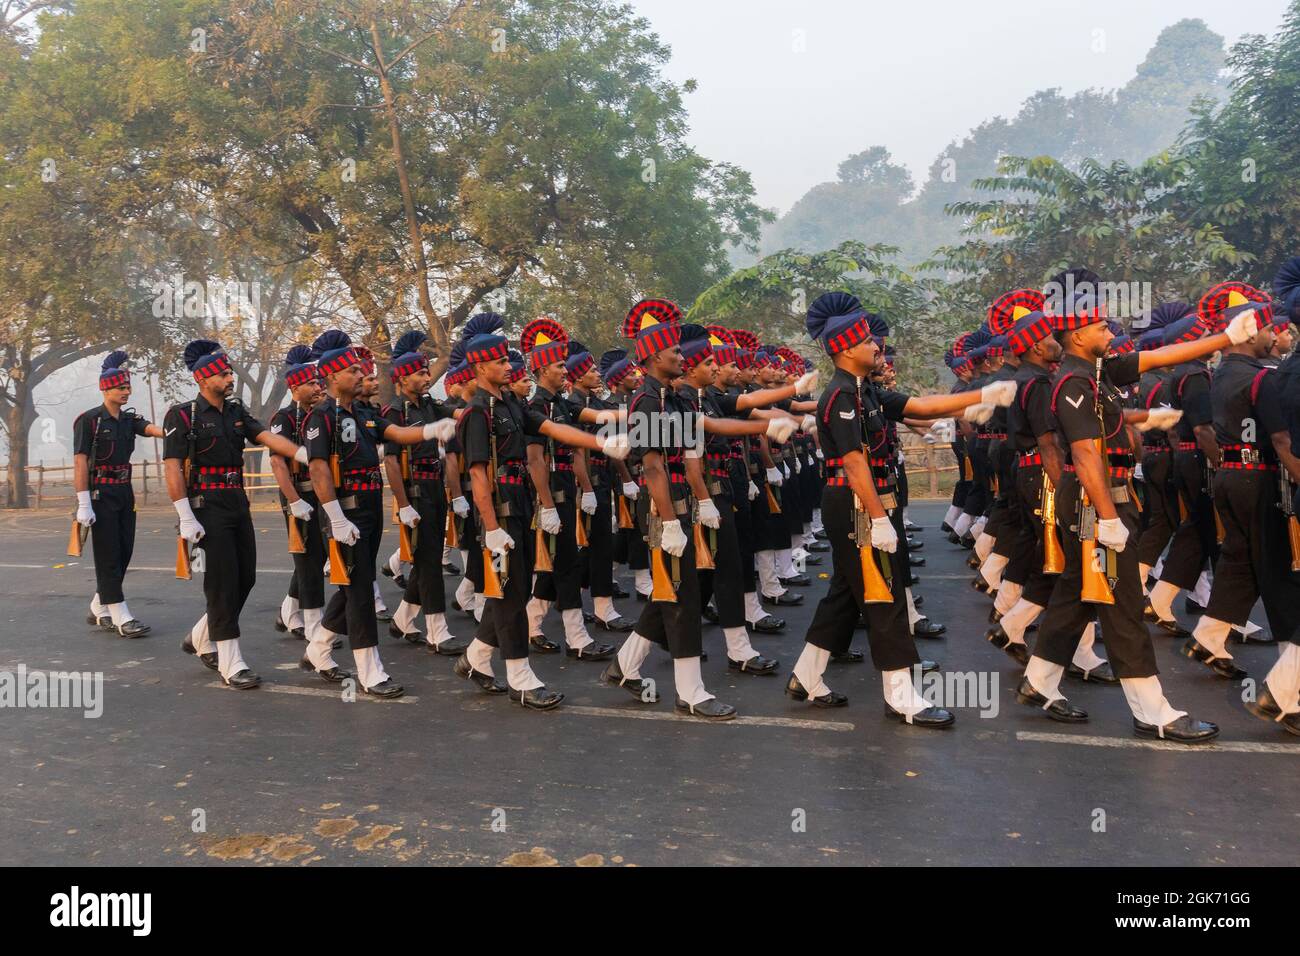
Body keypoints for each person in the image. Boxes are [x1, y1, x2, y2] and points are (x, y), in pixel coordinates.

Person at [1015, 283, 1259, 742]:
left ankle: (1039, 680)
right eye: (1101, 325)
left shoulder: (1097, 371)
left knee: (1078, 594)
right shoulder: (1071, 382)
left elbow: (1160, 357)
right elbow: (1085, 454)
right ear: (1078, 335)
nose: (1110, 330)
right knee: (1121, 596)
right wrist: (1108, 519)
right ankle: (1152, 709)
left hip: (1099, 497)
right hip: (1092, 501)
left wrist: (1225, 338)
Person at [789, 291, 1013, 725]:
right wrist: (877, 518)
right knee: (882, 593)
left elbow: (921, 406)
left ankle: (806, 675)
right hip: (857, 505)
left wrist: (985, 394)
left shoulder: (864, 389)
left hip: (868, 501)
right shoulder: (839, 396)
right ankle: (899, 693)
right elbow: (854, 461)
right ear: (847, 348)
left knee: (844, 593)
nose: (878, 347)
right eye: (870, 341)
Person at [454, 314, 631, 709]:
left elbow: (551, 431)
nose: (508, 366)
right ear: (481, 367)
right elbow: (480, 474)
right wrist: (491, 527)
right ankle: (520, 675)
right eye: (500, 362)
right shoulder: (478, 412)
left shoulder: (513, 404)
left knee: (509, 590)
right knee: (511, 593)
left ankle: (476, 659)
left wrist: (601, 444)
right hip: (499, 511)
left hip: (520, 506)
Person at [303, 330, 460, 699]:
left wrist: (429, 430)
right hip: (346, 511)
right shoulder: (320, 417)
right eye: (352, 371)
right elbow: (319, 470)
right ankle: (370, 671)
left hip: (370, 505)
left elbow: (395, 434)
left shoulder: (364, 412)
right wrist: (335, 517)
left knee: (353, 583)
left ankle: (318, 647)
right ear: (332, 377)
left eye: (361, 370)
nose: (361, 375)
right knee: (358, 591)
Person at [164, 339, 308, 689]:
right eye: (223, 374)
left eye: (230, 372)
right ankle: (231, 662)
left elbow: (265, 437)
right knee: (222, 582)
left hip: (236, 501)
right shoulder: (183, 415)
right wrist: (185, 516)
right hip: (205, 507)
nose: (230, 379)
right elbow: (171, 468)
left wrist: (305, 454)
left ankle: (201, 634)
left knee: (246, 577)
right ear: (203, 379)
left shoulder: (235, 410)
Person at [1182, 283, 1297, 679]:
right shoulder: (1261, 377)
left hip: (1230, 474)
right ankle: (1289, 672)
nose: (1272, 336)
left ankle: (1210, 636)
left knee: (1238, 561)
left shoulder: (1218, 374)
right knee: (1277, 568)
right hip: (1259, 478)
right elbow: (1281, 440)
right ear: (1250, 332)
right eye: (1267, 329)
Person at [382, 330, 469, 657]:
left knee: (427, 560)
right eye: (420, 372)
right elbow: (391, 461)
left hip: (434, 488)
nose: (426, 376)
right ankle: (437, 630)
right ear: (403, 379)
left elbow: (459, 416)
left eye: (426, 371)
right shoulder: (394, 414)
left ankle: (403, 620)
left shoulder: (431, 407)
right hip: (415, 492)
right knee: (428, 563)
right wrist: (403, 504)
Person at [73, 350, 164, 637]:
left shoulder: (128, 420)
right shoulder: (89, 421)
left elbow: (152, 429)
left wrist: (178, 431)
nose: (126, 391)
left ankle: (100, 606)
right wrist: (83, 502)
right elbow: (80, 461)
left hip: (124, 491)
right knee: (108, 553)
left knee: (124, 551)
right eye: (120, 387)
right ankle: (121, 616)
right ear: (105, 388)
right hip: (100, 493)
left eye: (127, 387)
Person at [267, 346, 342, 675]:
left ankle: (288, 611)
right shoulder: (283, 419)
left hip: (321, 496)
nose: (318, 386)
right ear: (295, 388)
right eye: (311, 383)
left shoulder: (323, 414)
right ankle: (313, 624)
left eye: (319, 381)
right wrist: (293, 499)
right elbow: (278, 462)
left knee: (316, 555)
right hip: (298, 495)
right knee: (307, 560)